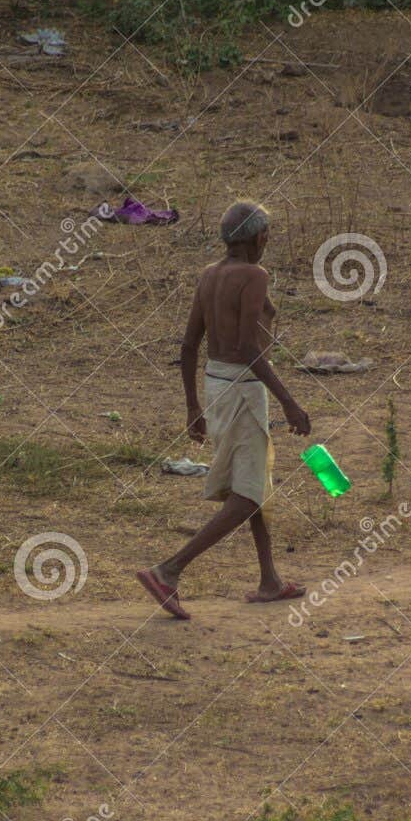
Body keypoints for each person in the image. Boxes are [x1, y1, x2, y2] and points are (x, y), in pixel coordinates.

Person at [135, 201, 311, 620]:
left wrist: (193, 404)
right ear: (259, 238)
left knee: (250, 483)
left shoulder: (210, 275)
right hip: (243, 389)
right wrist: (289, 402)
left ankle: (270, 579)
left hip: (216, 386)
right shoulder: (254, 275)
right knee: (249, 495)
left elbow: (188, 344)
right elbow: (249, 348)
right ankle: (168, 570)